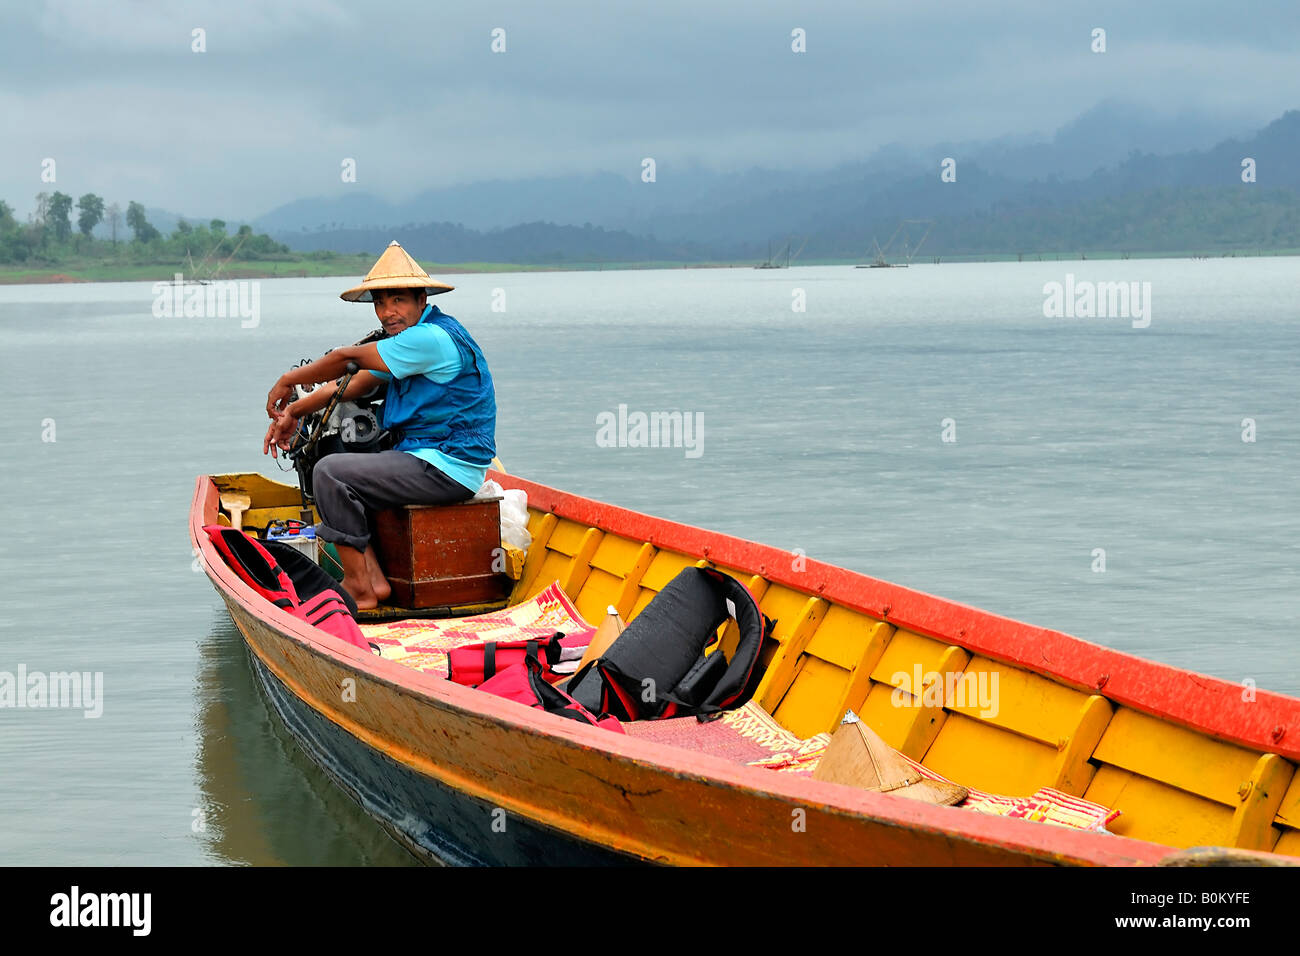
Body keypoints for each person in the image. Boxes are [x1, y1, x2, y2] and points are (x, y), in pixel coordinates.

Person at [263, 241, 497, 609]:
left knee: (330, 473)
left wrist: (288, 380)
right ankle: (375, 582)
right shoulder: (408, 340)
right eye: (380, 302)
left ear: (421, 300)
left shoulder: (430, 338)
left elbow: (345, 360)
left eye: (398, 300)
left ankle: (359, 587)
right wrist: (294, 413)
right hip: (428, 458)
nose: (388, 312)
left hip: (448, 464)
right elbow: (357, 382)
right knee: (344, 455)